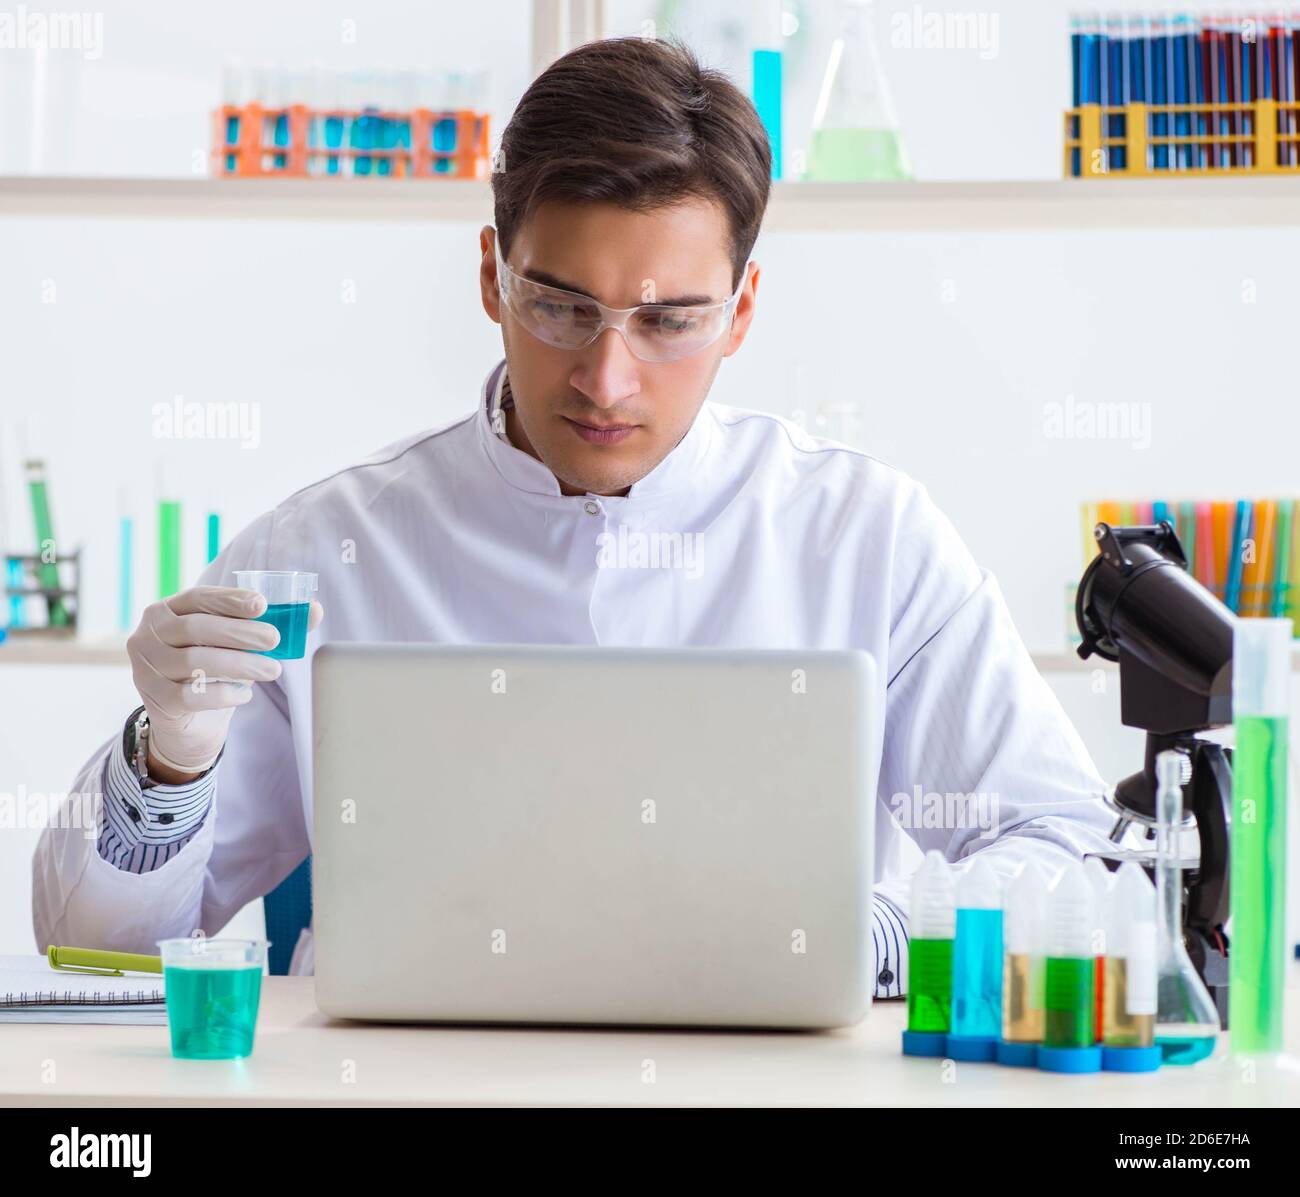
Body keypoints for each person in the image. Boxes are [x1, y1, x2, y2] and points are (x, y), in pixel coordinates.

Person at [34, 37, 1116, 992]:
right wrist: (169, 755)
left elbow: (1067, 845)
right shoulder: (326, 546)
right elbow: (98, 946)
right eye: (560, 306)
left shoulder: (866, 536)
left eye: (670, 320)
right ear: (490, 278)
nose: (607, 378)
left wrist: (871, 938)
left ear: (740, 312)